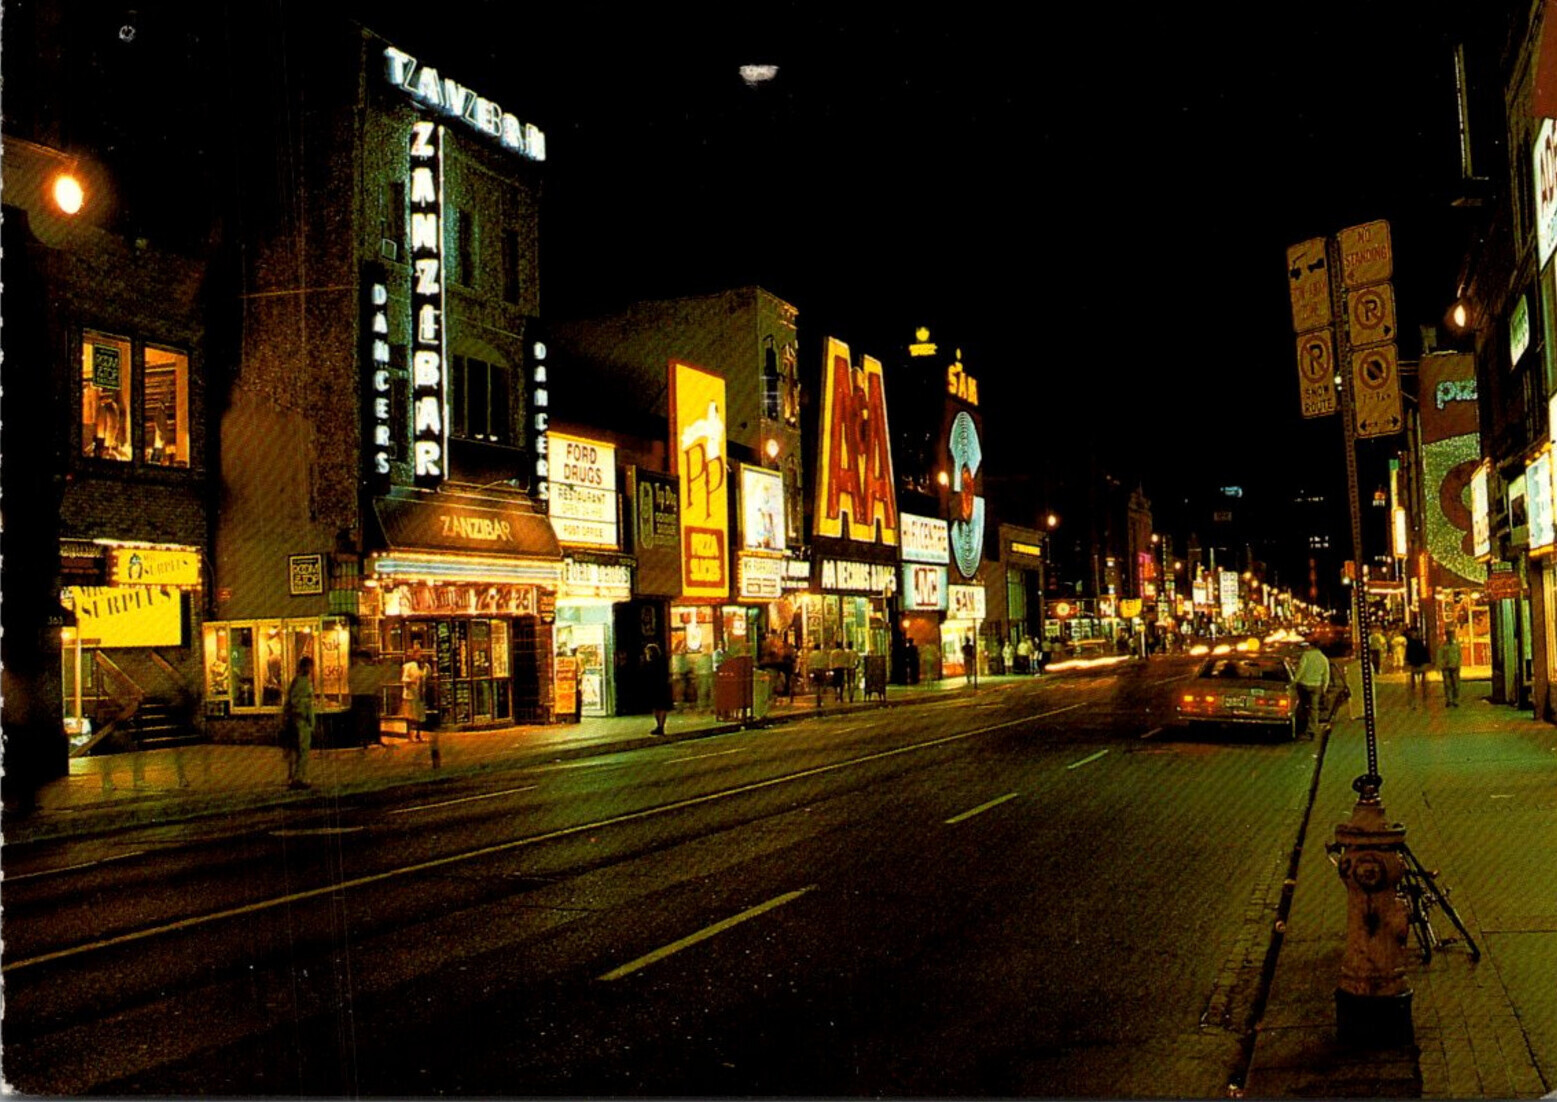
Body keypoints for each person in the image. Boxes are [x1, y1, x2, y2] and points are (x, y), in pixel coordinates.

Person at [280, 655, 315, 789]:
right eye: (310, 666)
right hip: (301, 720)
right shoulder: (302, 681)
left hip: (298, 719)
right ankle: (298, 778)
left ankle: (295, 776)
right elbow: (297, 702)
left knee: (297, 751)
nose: (311, 669)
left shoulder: (298, 681)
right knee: (302, 750)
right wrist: (308, 716)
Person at [1293, 641, 1330, 739]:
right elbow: (1326, 675)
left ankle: (1301, 728)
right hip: (1316, 686)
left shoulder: (1306, 655)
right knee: (1314, 709)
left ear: (1312, 646)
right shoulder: (1324, 659)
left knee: (1303, 707)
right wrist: (1324, 689)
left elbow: (1301, 669)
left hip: (1304, 685)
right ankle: (1312, 730)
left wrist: (1294, 681)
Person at [645, 643, 673, 734]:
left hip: (656, 686)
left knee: (658, 707)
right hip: (660, 686)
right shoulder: (662, 661)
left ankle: (660, 726)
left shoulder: (652, 663)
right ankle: (660, 726)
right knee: (660, 707)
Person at [401, 647, 427, 740]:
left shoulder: (425, 666)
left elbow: (426, 677)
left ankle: (418, 734)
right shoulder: (408, 666)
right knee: (409, 715)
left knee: (419, 715)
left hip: (419, 694)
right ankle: (409, 734)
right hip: (410, 694)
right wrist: (411, 682)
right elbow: (404, 679)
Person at [1404, 627, 1432, 708]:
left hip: (1418, 663)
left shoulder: (1418, 642)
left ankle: (1422, 699)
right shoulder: (1415, 643)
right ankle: (1417, 700)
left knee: (1421, 683)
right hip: (1415, 664)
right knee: (1415, 684)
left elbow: (1425, 652)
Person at [1437, 628, 1463, 708]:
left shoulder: (1456, 645)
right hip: (1446, 668)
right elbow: (1440, 656)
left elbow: (1459, 655)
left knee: (1456, 685)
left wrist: (1458, 664)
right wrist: (1440, 665)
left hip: (1455, 667)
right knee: (1447, 684)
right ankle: (1449, 700)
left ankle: (1456, 700)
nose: (1450, 635)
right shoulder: (1443, 645)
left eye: (1451, 633)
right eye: (1448, 634)